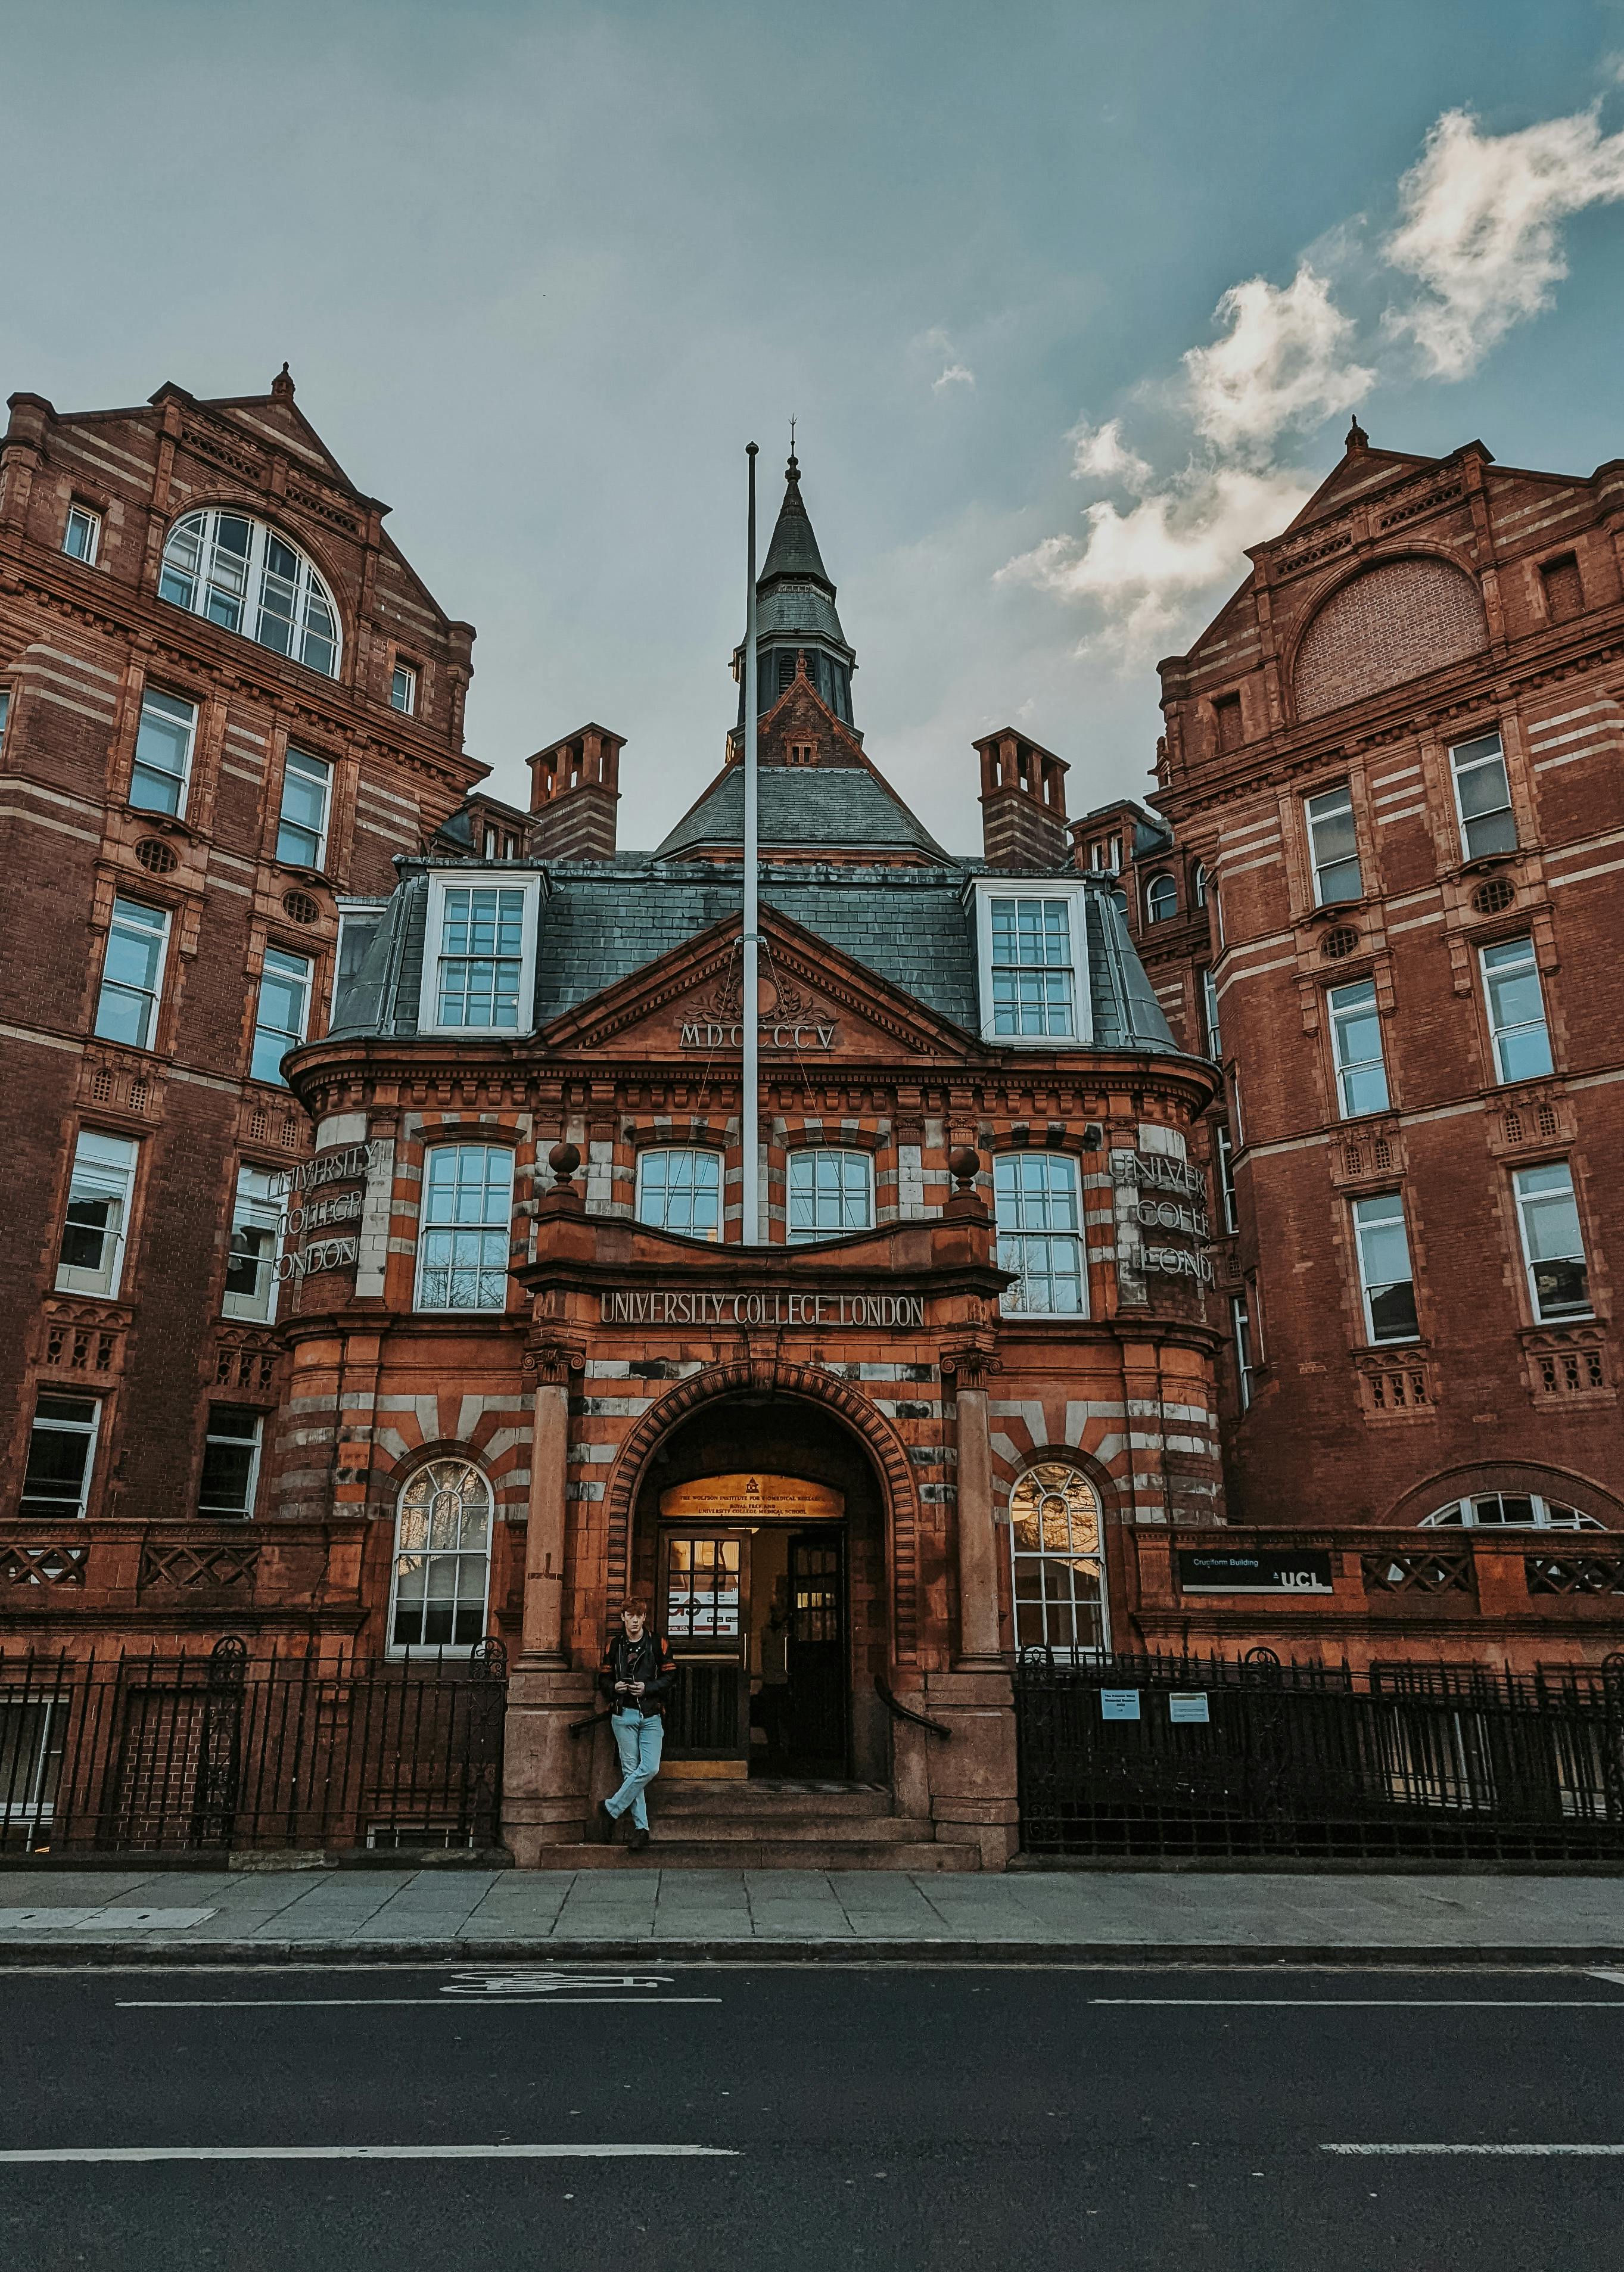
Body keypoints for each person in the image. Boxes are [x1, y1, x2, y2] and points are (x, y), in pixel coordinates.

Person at [597, 1596, 674, 1851]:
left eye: (638, 1616)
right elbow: (603, 1679)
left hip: (651, 1714)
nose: (634, 1620)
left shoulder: (656, 1643)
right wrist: (614, 1688)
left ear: (644, 1618)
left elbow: (671, 1675)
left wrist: (648, 1688)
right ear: (623, 1618)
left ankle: (611, 1809)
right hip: (623, 1714)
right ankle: (641, 1830)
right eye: (629, 1616)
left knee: (650, 1768)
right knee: (632, 1773)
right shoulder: (615, 1645)